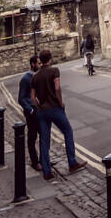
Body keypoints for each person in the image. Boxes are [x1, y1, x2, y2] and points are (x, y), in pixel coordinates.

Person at [31, 48, 87, 182]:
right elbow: (57, 87)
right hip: (55, 108)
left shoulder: (35, 76)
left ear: (41, 60)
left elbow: (33, 97)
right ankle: (72, 163)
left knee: (44, 140)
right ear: (50, 59)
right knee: (68, 131)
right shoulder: (54, 71)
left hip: (43, 111)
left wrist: (39, 107)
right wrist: (60, 102)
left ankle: (47, 171)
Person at [17, 55, 42, 171]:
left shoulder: (38, 76)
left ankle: (44, 160)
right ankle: (35, 162)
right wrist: (31, 110)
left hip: (40, 110)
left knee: (43, 135)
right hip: (31, 112)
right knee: (32, 137)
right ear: (33, 64)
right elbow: (21, 98)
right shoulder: (25, 78)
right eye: (38, 63)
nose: (40, 65)